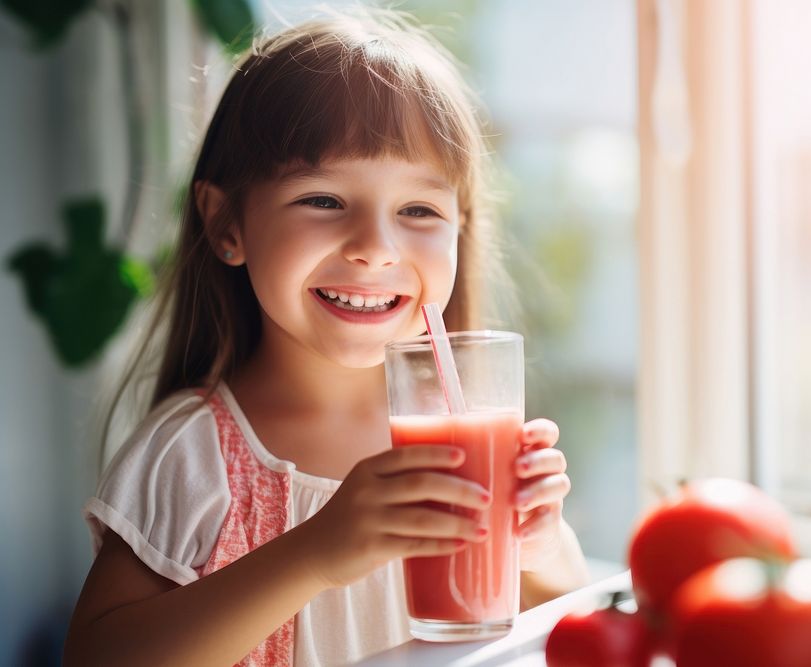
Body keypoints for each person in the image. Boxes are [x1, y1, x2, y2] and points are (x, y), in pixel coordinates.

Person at [63, 8, 589, 666]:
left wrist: (542, 546)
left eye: (419, 210)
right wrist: (314, 554)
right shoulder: (197, 454)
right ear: (226, 223)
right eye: (323, 199)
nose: (375, 246)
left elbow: (564, 616)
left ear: (462, 228)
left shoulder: (467, 432)